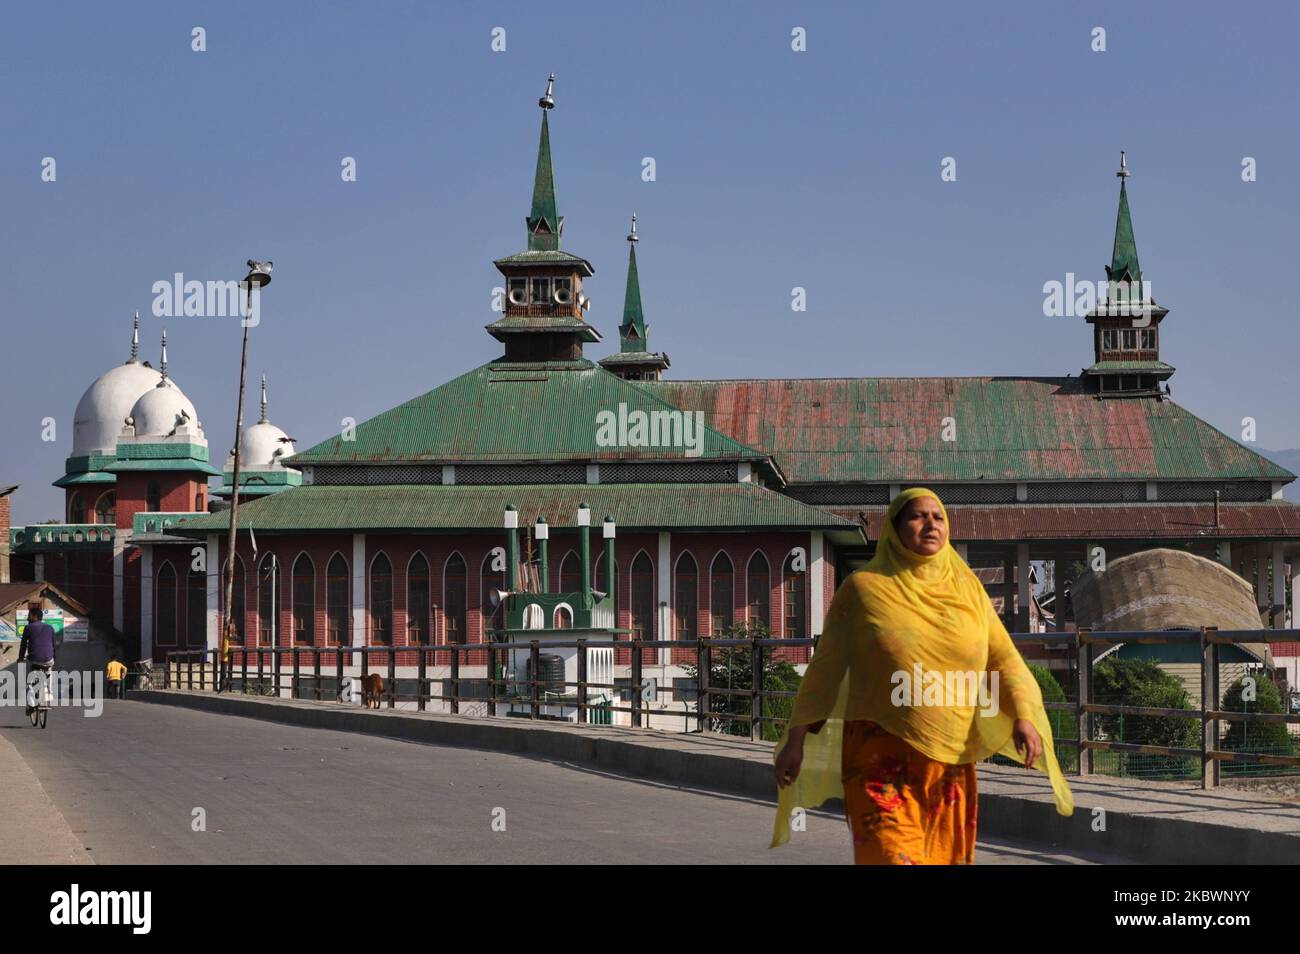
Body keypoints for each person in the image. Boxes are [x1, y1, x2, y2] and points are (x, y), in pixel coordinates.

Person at [771, 488, 1073, 863]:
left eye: (939, 516)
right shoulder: (863, 589)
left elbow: (1004, 660)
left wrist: (1024, 715)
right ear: (895, 530)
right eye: (918, 516)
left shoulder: (968, 591)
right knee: (891, 858)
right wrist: (796, 738)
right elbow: (827, 667)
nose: (931, 523)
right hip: (878, 758)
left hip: (951, 762)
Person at [17, 604, 57, 714]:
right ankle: (49, 697)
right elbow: (54, 646)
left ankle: (31, 704)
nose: (27, 618)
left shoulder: (28, 628)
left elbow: (23, 645)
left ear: (34, 616)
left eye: (29, 616)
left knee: (30, 681)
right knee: (49, 672)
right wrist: (54, 659)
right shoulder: (50, 628)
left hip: (34, 659)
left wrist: (20, 658)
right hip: (49, 659)